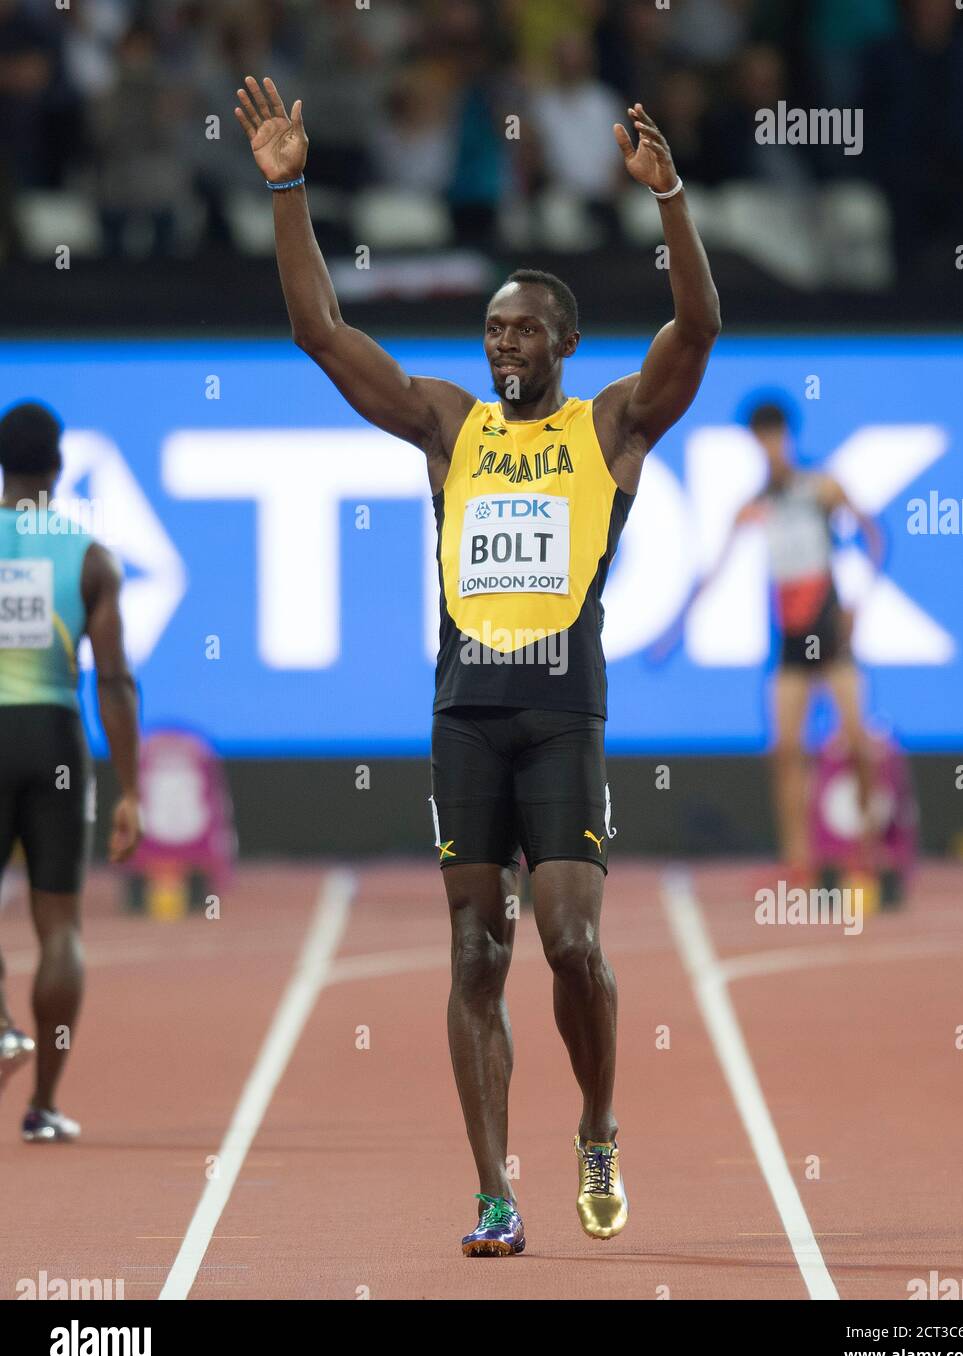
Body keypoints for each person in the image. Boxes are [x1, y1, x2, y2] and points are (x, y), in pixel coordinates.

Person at [235, 75, 720, 1255]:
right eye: (492, 329)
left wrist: (671, 205)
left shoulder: (610, 427)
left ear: (564, 342)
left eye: (524, 330)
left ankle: (597, 1122)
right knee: (475, 947)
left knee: (571, 942)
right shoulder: (449, 423)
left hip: (563, 715)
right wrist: (290, 190)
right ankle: (496, 1192)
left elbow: (697, 330)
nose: (504, 345)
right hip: (463, 716)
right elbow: (321, 333)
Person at [0, 401, 141, 1141]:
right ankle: (44, 1103)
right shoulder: (89, 555)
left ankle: (0, 1030)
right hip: (53, 736)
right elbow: (113, 682)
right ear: (58, 468)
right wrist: (131, 792)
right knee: (60, 926)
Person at [693, 401, 883, 879]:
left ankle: (867, 847)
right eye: (761, 438)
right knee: (784, 750)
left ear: (786, 437)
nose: (769, 445)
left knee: (858, 741)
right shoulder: (757, 503)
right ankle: (798, 860)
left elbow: (873, 539)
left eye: (774, 435)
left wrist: (859, 602)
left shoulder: (820, 487)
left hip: (831, 631)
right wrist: (680, 624)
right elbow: (716, 567)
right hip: (791, 639)